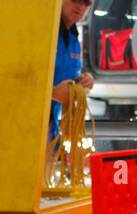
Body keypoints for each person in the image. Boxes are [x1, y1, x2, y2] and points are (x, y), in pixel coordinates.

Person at [50, 0, 94, 144]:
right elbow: (13, 79)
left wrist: (83, 81)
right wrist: (53, 93)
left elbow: (69, 77)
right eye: (76, 0)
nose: (81, 7)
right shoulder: (43, 31)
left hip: (50, 129)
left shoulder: (74, 39)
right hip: (22, 125)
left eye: (87, 3)